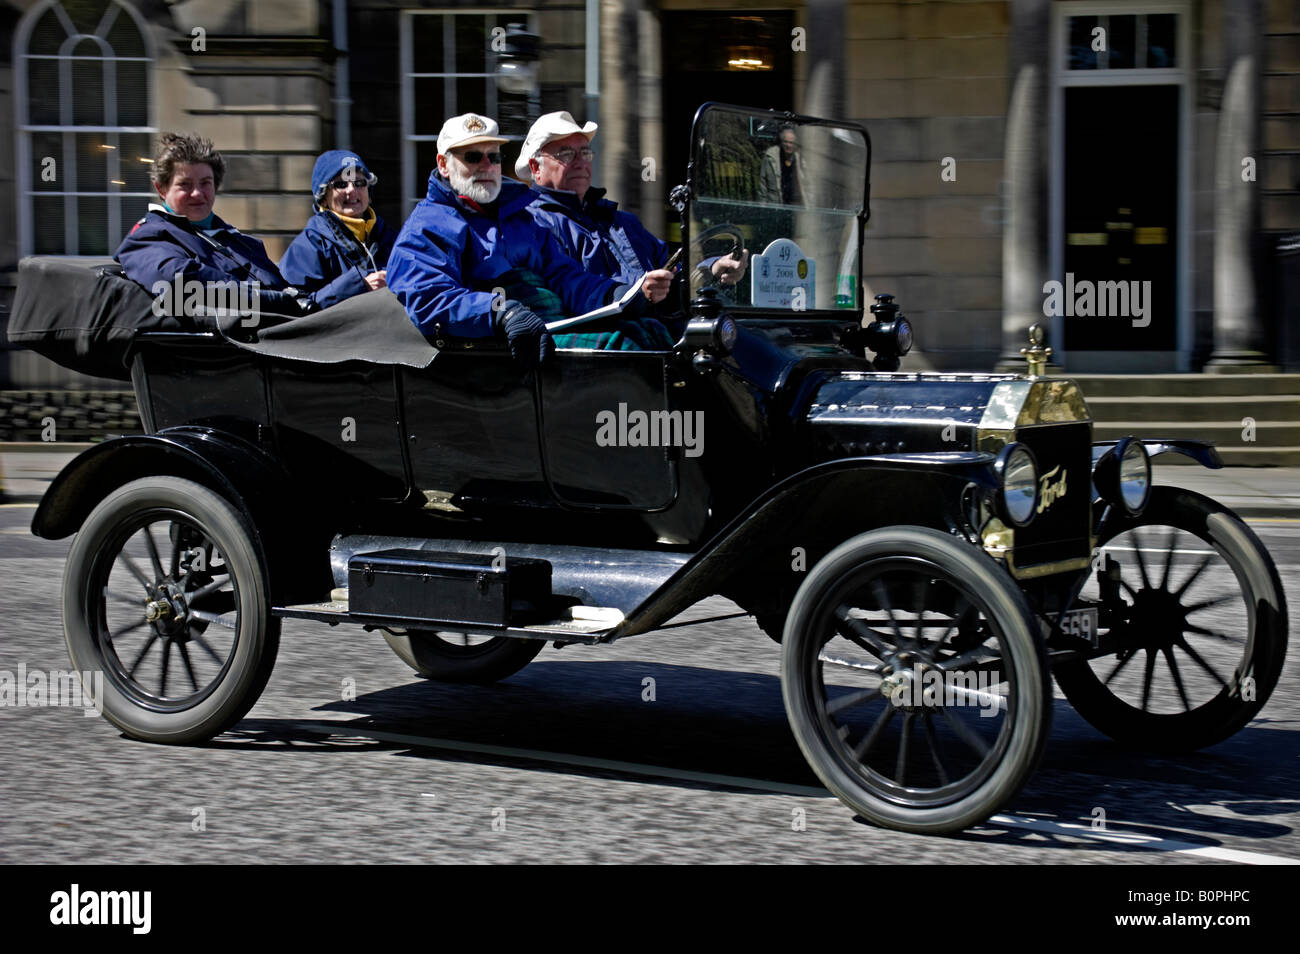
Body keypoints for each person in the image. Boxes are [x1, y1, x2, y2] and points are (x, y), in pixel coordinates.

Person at [387, 112, 673, 365]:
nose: (487, 166)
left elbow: (563, 276)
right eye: (473, 157)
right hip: (495, 345)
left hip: (549, 326)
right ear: (444, 164)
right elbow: (429, 297)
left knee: (651, 332)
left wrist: (615, 294)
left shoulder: (519, 217)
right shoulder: (426, 226)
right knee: (623, 350)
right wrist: (501, 312)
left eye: (494, 156)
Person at [512, 111, 748, 301]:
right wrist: (633, 294)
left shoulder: (621, 221)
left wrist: (713, 268)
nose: (581, 163)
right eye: (566, 155)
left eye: (585, 154)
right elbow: (566, 287)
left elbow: (669, 268)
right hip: (609, 340)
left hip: (657, 329)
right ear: (535, 168)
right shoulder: (532, 223)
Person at [115, 132, 311, 316]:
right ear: (162, 188)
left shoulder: (243, 243)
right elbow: (179, 281)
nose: (197, 194)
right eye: (185, 184)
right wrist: (272, 300)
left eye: (205, 183)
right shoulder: (147, 238)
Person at [279, 150, 396, 310]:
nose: (351, 190)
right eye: (341, 184)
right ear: (323, 198)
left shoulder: (391, 238)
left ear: (369, 193)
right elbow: (294, 307)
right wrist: (359, 286)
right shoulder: (308, 246)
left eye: (359, 183)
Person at [758, 125, 809, 206]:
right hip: (776, 209)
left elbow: (808, 187)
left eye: (791, 142)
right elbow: (762, 187)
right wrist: (763, 209)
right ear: (781, 142)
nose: (788, 145)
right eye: (786, 142)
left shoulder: (801, 160)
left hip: (797, 209)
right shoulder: (770, 157)